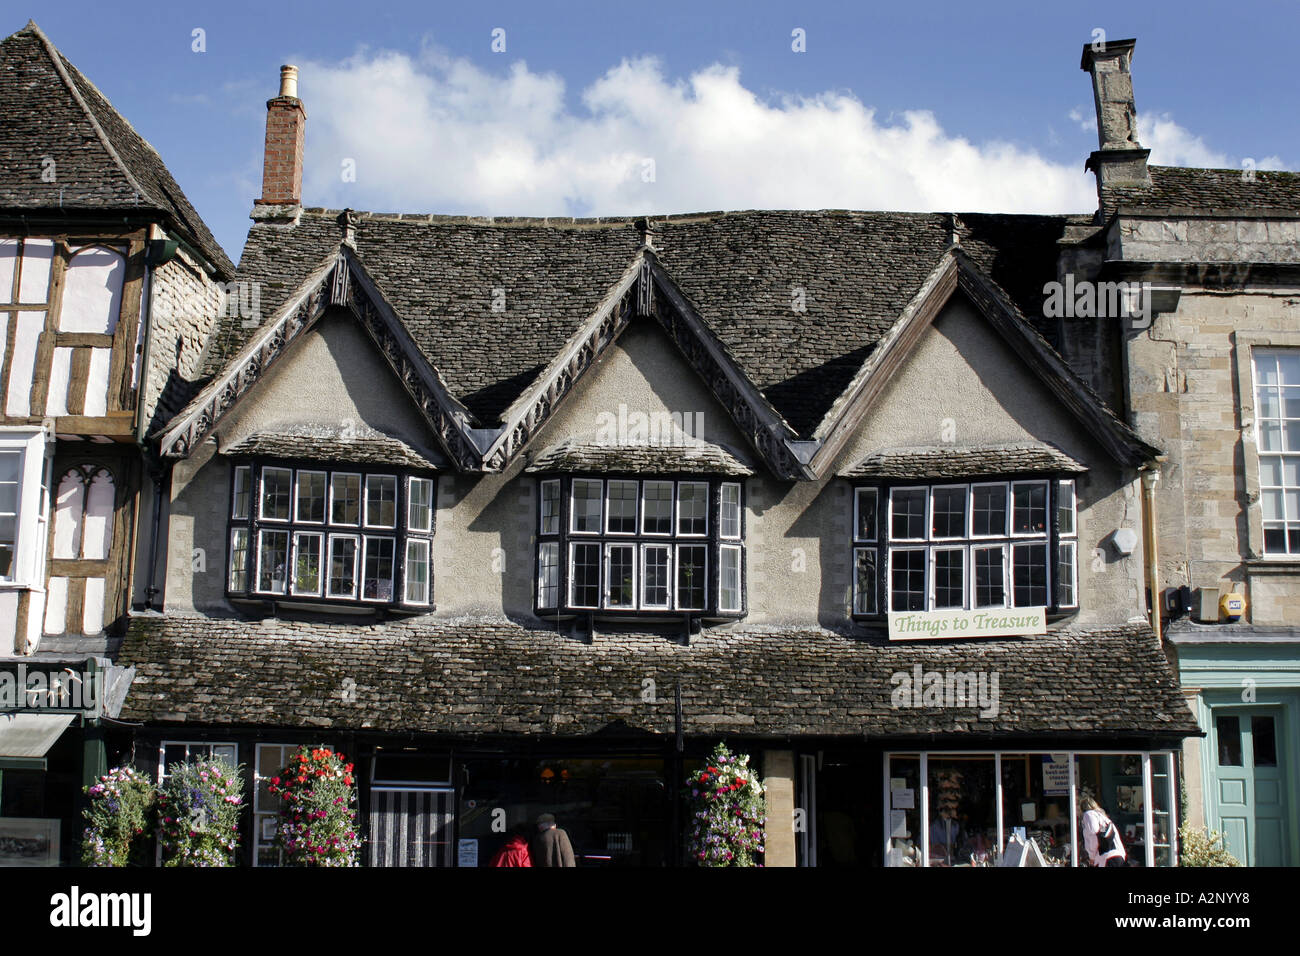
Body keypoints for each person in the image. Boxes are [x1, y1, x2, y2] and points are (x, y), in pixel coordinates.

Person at [1080, 795, 1126, 867]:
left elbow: (1094, 835)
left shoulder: (1089, 815)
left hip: (1106, 857)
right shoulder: (1103, 817)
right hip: (1117, 855)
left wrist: (1091, 856)